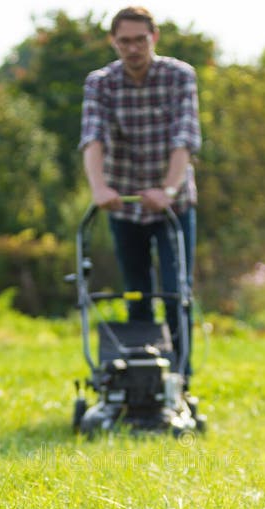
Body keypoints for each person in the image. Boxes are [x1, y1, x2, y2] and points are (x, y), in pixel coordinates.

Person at [79, 6, 201, 377]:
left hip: (171, 207)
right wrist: (99, 188)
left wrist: (167, 188)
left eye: (139, 40)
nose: (132, 48)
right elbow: (92, 137)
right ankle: (141, 373)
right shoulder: (100, 82)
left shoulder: (179, 76)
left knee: (175, 292)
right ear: (113, 42)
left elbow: (185, 137)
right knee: (137, 292)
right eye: (124, 41)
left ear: (154, 38)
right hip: (124, 205)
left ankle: (180, 378)